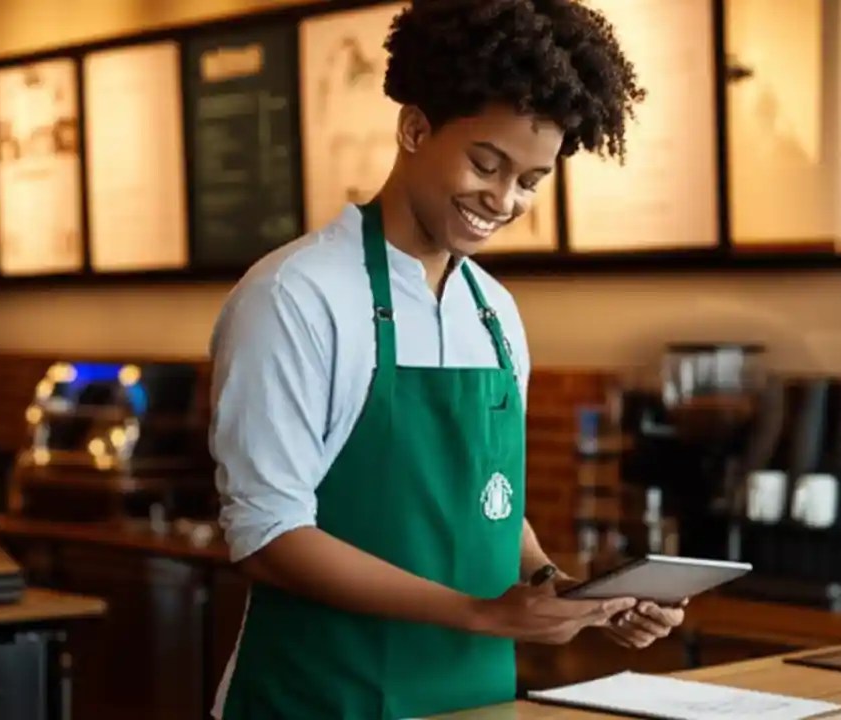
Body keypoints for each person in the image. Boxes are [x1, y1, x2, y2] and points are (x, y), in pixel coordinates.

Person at [208, 1, 681, 717]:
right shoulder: (294, 296)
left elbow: (490, 507)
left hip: (474, 703)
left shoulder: (494, 314)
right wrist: (485, 615)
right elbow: (266, 537)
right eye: (485, 163)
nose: (502, 200)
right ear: (415, 127)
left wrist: (559, 589)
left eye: (530, 180)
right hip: (319, 700)